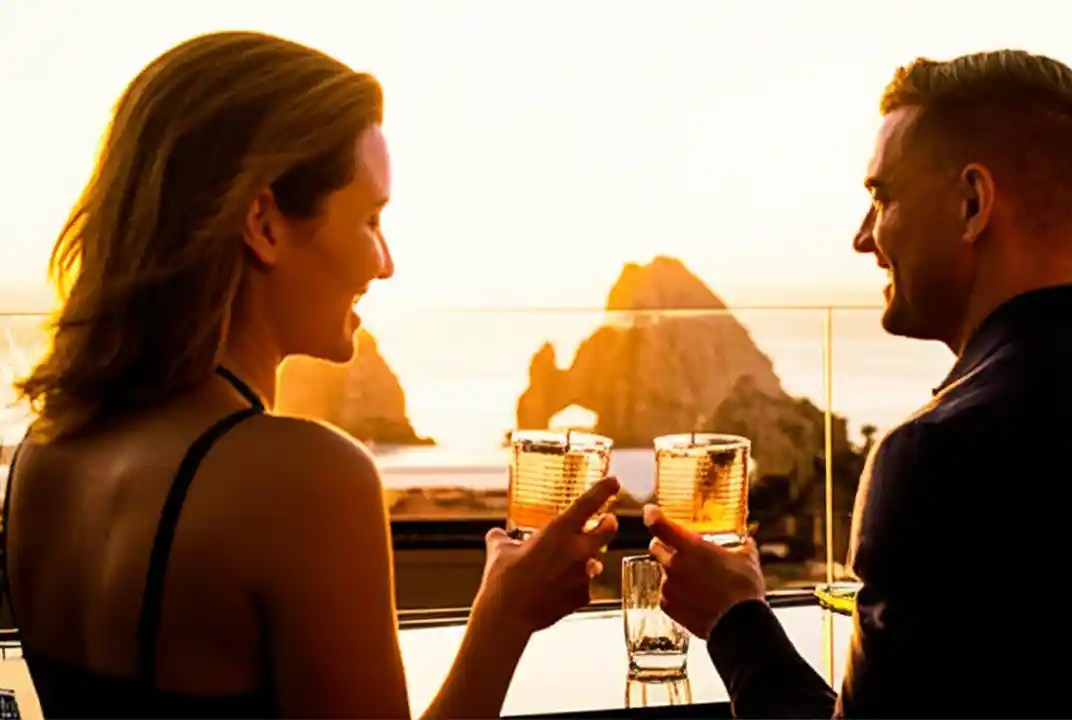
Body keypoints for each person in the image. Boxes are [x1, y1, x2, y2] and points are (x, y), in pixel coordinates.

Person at [2, 31, 619, 719]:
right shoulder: (305, 478)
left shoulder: (45, 451)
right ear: (263, 222)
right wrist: (504, 619)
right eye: (371, 219)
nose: (384, 262)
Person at [647, 49, 1072, 717]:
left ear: (972, 203)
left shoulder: (939, 453)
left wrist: (737, 618)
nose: (864, 238)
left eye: (882, 197)